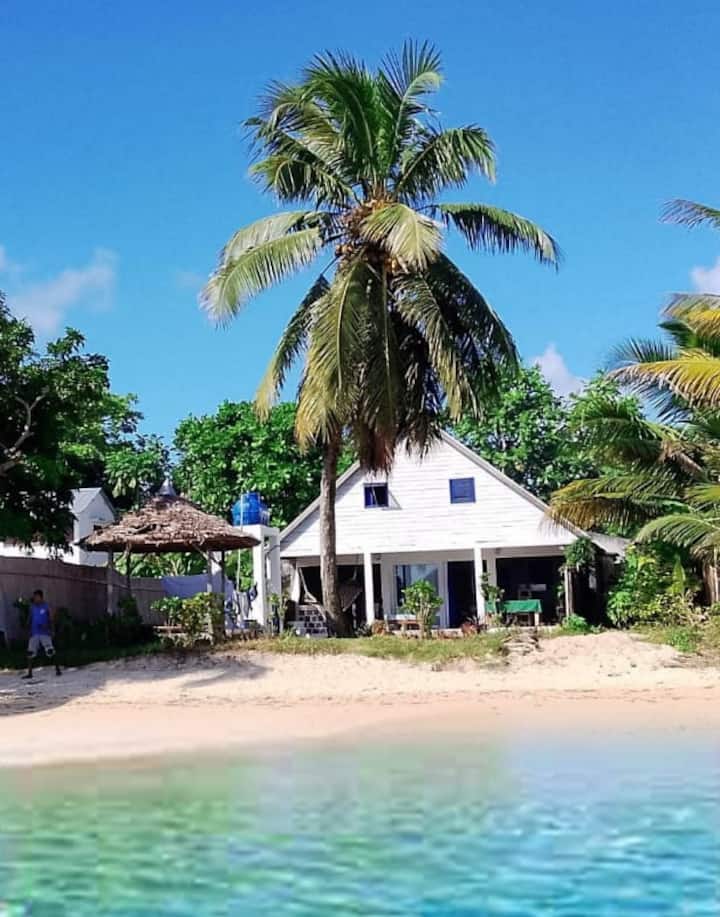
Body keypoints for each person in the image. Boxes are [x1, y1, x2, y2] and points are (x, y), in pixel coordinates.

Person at [23, 589, 61, 679]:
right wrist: (27, 628)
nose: (35, 599)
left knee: (50, 651)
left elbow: (51, 619)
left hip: (44, 632)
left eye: (37, 597)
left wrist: (51, 630)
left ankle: (58, 669)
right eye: (34, 597)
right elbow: (30, 618)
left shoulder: (46, 607)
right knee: (30, 653)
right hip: (34, 633)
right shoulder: (32, 607)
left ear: (41, 597)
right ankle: (30, 673)